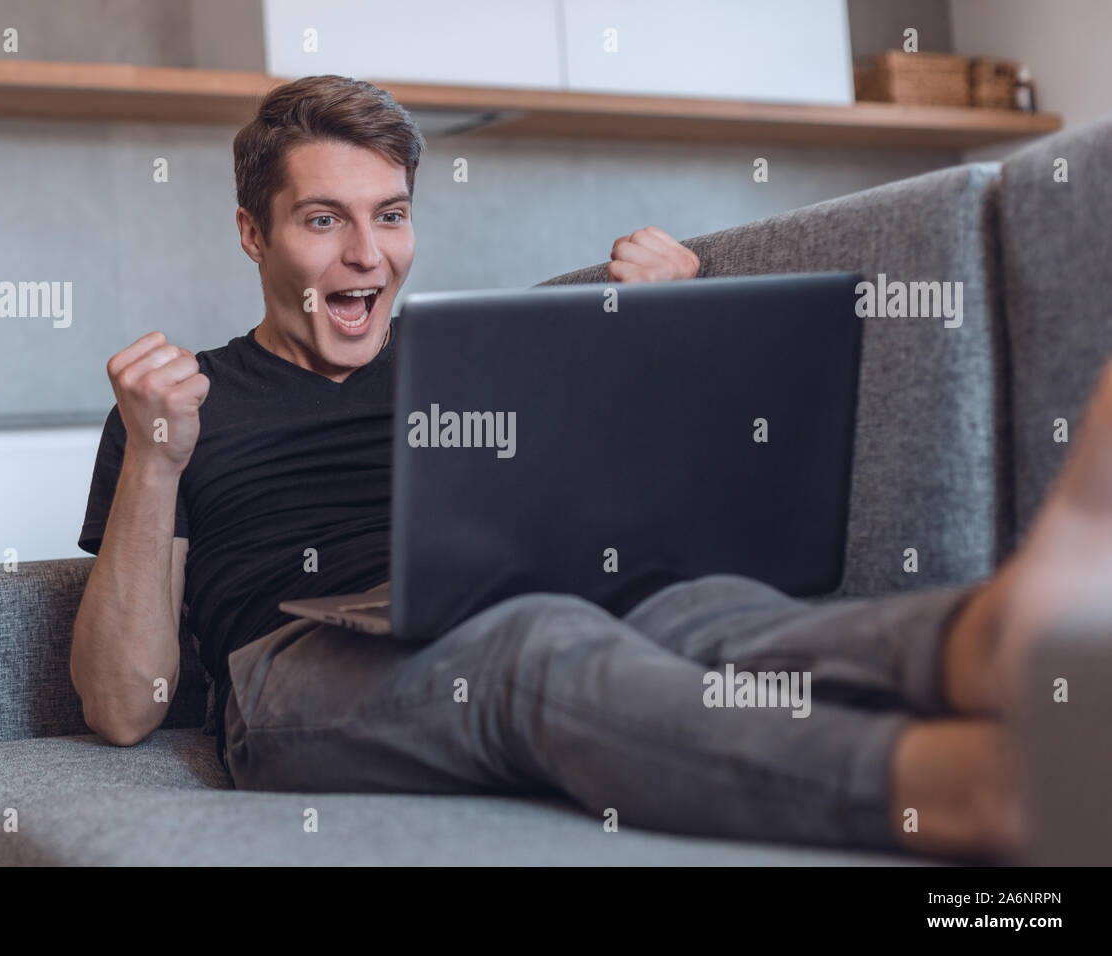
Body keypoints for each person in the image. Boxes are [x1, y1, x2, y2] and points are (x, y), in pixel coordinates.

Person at [71, 74, 1096, 863]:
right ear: (253, 233)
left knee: (702, 614)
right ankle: (968, 786)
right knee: (534, 643)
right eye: (322, 219)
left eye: (389, 214)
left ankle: (1003, 638)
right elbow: (123, 705)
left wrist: (668, 338)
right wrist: (157, 460)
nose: (365, 255)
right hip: (294, 669)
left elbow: (668, 522)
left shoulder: (476, 358)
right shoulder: (179, 399)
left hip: (496, 599)